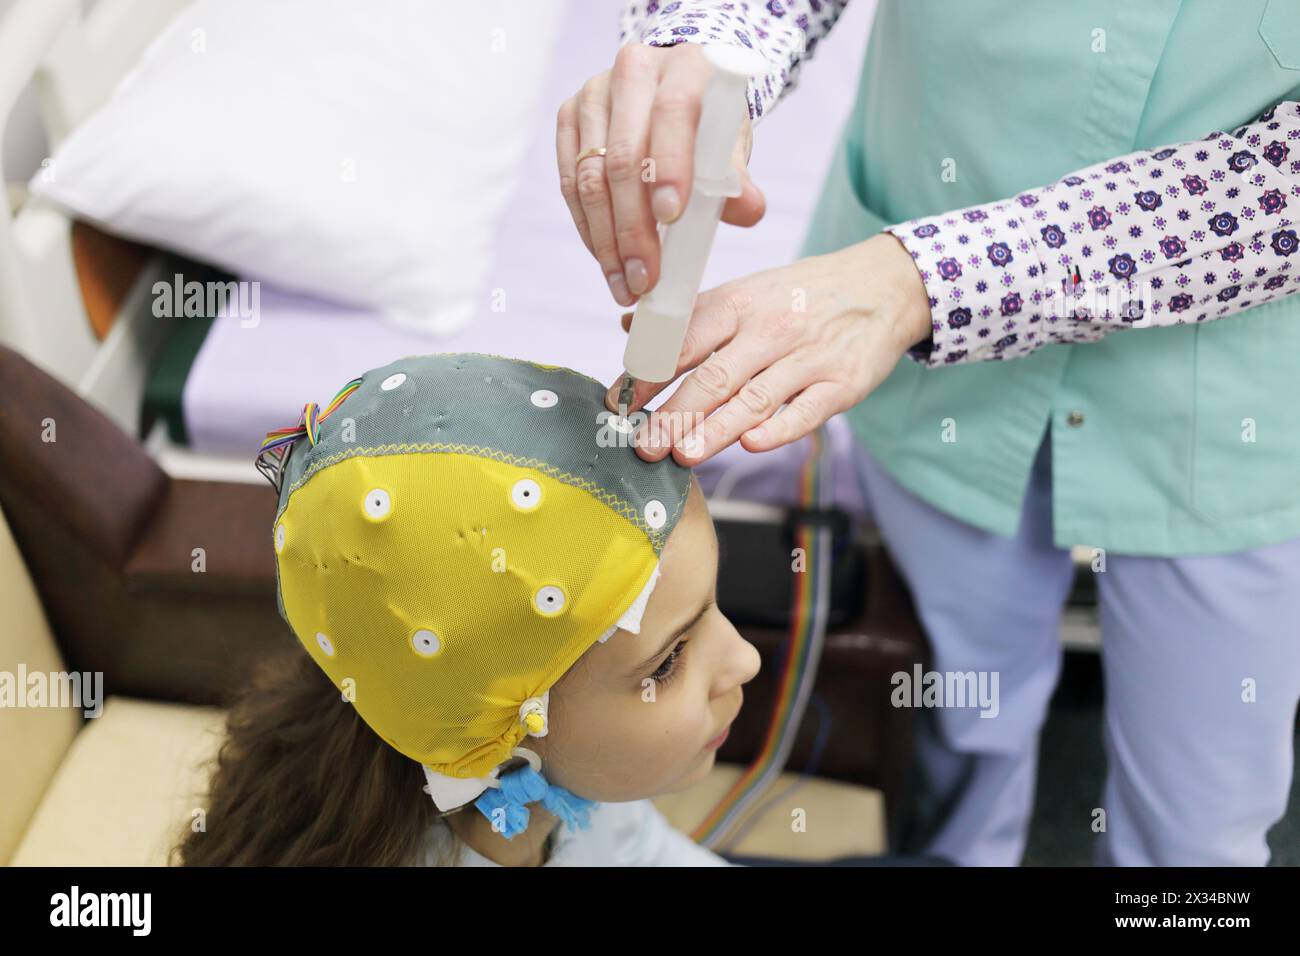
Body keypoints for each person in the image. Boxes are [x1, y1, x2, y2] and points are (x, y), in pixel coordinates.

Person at [557, 0, 1300, 865]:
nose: (743, 668)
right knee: (963, 717)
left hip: (1229, 393)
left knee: (1199, 829)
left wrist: (924, 284)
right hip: (934, 354)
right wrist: (703, 47)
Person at [172, 352, 760, 866]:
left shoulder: (575, 782)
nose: (747, 659)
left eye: (711, 608)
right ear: (501, 732)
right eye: (667, 664)